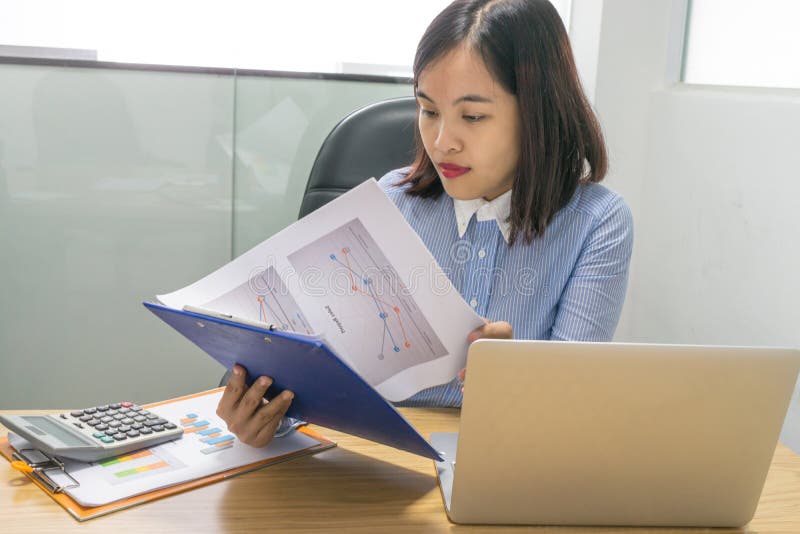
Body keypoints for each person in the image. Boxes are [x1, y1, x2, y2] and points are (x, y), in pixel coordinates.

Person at [217, 0, 633, 446]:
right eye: (429, 110)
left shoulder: (596, 223)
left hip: (501, 455)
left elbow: (567, 413)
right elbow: (311, 373)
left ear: (538, 113)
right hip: (370, 455)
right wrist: (266, 415)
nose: (441, 142)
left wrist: (520, 381)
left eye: (472, 117)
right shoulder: (389, 203)